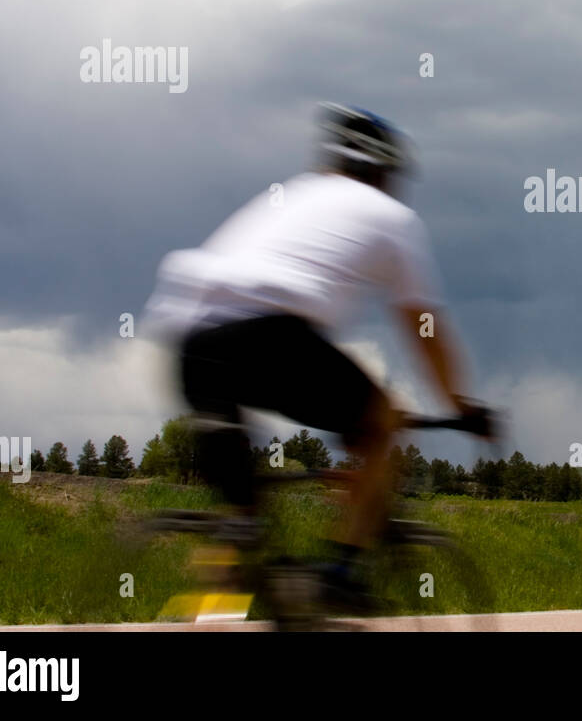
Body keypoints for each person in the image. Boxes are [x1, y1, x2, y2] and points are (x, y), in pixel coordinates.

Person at [144, 103, 493, 581]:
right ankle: (338, 573)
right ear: (384, 172)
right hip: (269, 338)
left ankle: (243, 569)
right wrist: (462, 405)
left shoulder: (293, 195)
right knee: (382, 424)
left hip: (189, 342)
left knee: (247, 529)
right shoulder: (390, 216)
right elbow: (424, 327)